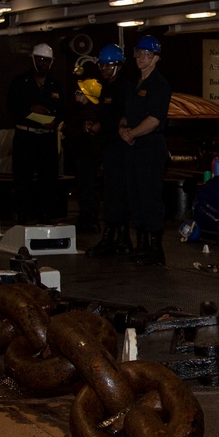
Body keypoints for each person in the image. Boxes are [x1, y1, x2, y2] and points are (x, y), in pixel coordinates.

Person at [120, 35, 172, 266]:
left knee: (150, 195)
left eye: (147, 54)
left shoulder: (159, 85)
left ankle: (155, 248)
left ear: (156, 58)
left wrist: (131, 133)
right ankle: (141, 244)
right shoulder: (135, 84)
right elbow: (126, 113)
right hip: (133, 146)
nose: (141, 57)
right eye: (138, 53)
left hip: (150, 146)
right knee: (135, 194)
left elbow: (153, 120)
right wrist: (122, 128)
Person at [7, 42, 63, 224]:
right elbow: (11, 106)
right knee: (22, 178)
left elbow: (63, 110)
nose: (44, 64)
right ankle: (20, 216)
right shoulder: (20, 82)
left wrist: (55, 122)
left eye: (47, 61)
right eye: (41, 60)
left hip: (46, 137)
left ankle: (45, 216)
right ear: (33, 60)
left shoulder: (55, 84)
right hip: (26, 136)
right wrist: (31, 109)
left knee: (48, 179)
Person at [87, 43, 133, 255]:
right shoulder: (107, 88)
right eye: (102, 66)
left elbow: (119, 116)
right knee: (110, 192)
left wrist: (101, 125)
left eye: (108, 66)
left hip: (121, 148)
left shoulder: (125, 87)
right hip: (108, 147)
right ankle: (114, 236)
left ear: (119, 66)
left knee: (119, 191)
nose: (104, 70)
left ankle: (120, 237)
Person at [67, 78, 104, 233]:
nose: (75, 94)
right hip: (87, 155)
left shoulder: (87, 113)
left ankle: (88, 219)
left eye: (79, 92)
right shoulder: (90, 112)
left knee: (86, 188)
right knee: (87, 188)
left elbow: (81, 134)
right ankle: (88, 218)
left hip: (86, 156)